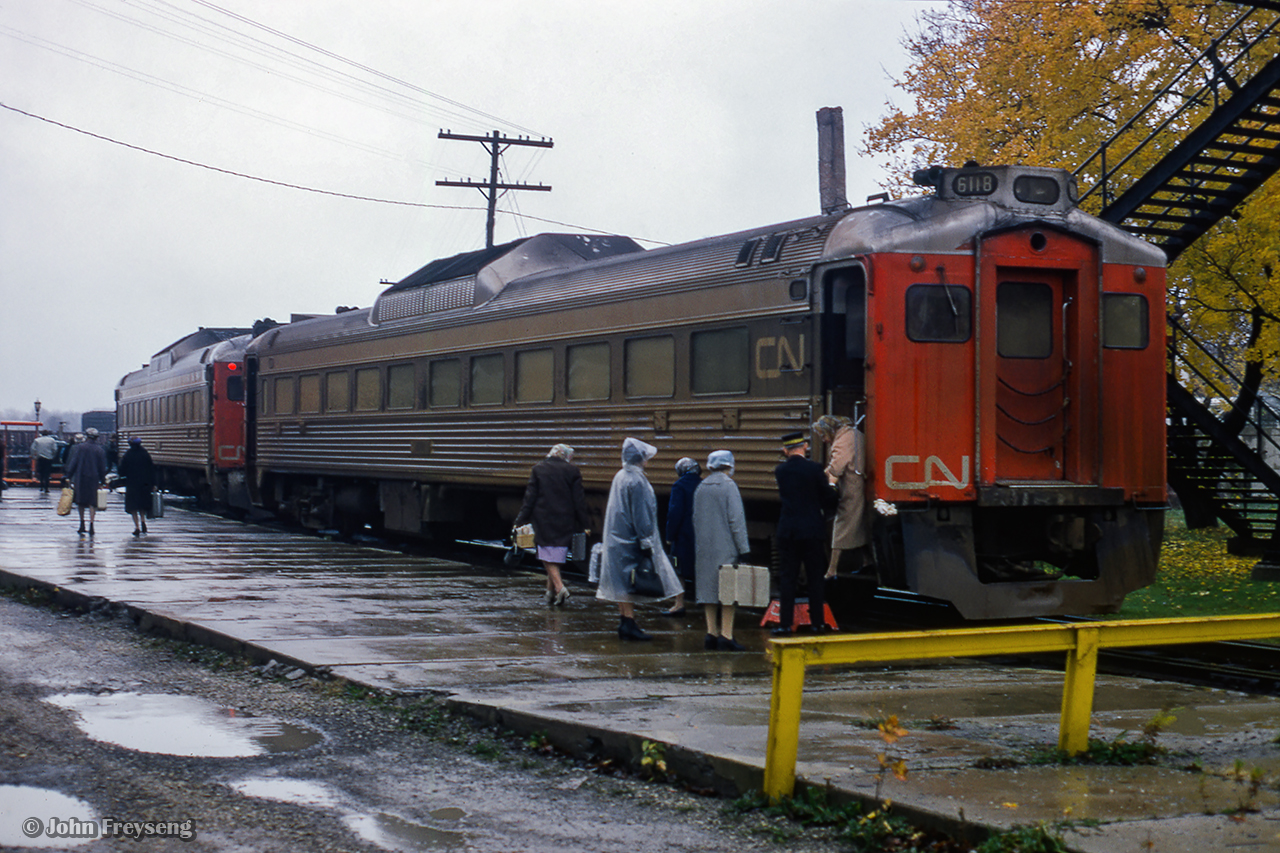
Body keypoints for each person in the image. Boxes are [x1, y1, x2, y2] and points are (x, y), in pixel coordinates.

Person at [595, 437, 683, 641]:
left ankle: (626, 621)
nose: (647, 461)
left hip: (618, 539)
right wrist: (646, 541)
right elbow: (642, 514)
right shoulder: (637, 480)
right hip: (630, 540)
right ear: (639, 458)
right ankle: (629, 624)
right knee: (629, 582)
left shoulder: (620, 476)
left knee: (621, 583)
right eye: (645, 457)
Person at [773, 431, 837, 635]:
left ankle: (784, 624)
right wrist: (833, 487)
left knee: (788, 578)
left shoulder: (780, 470)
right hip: (812, 530)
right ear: (805, 446)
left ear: (785, 450)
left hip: (788, 530)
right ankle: (817, 623)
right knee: (815, 578)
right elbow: (828, 498)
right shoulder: (815, 469)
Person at [513, 443, 590, 607]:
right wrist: (585, 523)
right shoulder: (572, 471)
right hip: (565, 518)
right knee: (556, 554)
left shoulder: (538, 469)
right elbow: (579, 501)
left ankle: (560, 588)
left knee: (546, 554)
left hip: (543, 518)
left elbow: (530, 498)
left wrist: (520, 520)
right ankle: (550, 593)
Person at [693, 450, 750, 651]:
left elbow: (695, 518)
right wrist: (744, 548)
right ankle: (726, 634)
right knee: (728, 591)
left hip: (704, 546)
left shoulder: (701, 487)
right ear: (729, 464)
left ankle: (711, 633)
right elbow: (736, 520)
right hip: (726, 546)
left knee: (708, 590)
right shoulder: (729, 486)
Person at [812, 415, 873, 578]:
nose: (824, 440)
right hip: (860, 484)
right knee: (859, 525)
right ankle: (868, 561)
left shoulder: (842, 441)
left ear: (830, 431)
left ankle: (832, 570)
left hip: (852, 488)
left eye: (823, 435)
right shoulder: (853, 434)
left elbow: (837, 468)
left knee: (841, 526)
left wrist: (819, 477)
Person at [663, 457, 701, 617]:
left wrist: (669, 535)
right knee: (701, 569)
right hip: (701, 533)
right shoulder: (703, 483)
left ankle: (679, 604)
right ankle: (707, 604)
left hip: (684, 535)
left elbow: (675, 512)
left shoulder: (679, 486)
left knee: (679, 571)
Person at [63, 427, 108, 536]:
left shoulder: (79, 448)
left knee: (81, 501)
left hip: (81, 477)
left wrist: (68, 475)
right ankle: (91, 525)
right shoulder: (100, 450)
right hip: (94, 478)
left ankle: (82, 524)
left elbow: (73, 463)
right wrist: (103, 480)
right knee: (92, 502)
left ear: (87, 436)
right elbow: (102, 467)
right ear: (96, 438)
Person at [115, 436, 157, 536]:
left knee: (133, 506)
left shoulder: (128, 455)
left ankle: (137, 527)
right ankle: (143, 521)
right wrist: (154, 483)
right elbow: (152, 469)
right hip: (145, 483)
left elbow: (121, 470)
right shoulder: (145, 454)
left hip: (132, 483)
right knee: (142, 505)